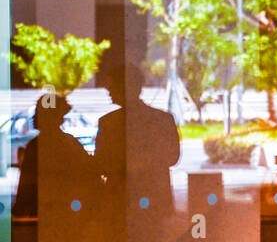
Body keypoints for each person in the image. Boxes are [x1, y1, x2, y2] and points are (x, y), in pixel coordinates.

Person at [95, 65, 181, 214]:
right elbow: (172, 157)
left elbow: (102, 161)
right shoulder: (163, 119)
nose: (108, 92)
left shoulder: (108, 122)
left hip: (120, 198)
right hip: (155, 198)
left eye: (111, 87)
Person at [13, 94, 99, 219]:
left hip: (45, 213)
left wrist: (20, 209)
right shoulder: (69, 143)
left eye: (37, 112)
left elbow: (26, 186)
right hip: (68, 214)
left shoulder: (36, 146)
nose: (33, 117)